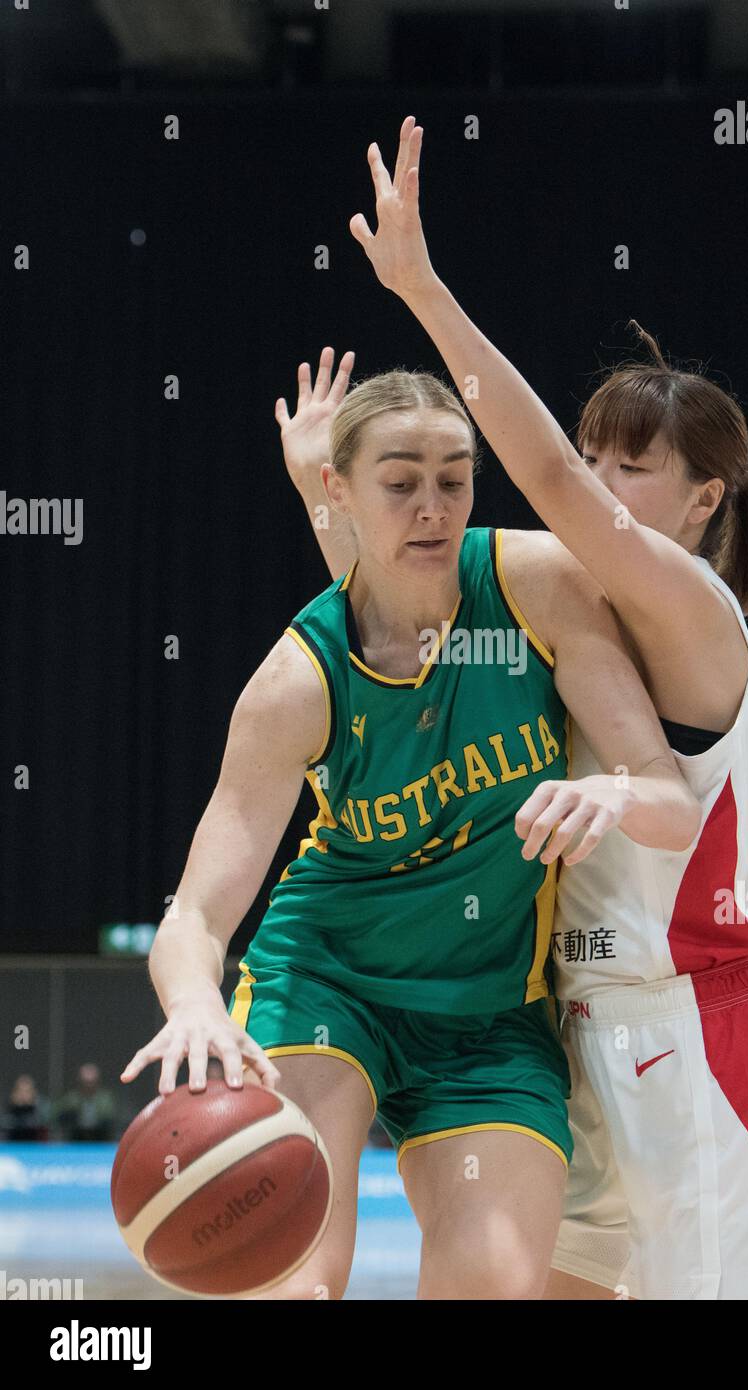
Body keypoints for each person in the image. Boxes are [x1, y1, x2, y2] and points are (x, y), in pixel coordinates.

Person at [294, 114, 748, 1300]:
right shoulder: (551, 620)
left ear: (701, 502)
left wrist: (424, 293)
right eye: (590, 455)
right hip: (575, 1045)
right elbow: (395, 621)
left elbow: (530, 480)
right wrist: (327, 499)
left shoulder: (695, 613)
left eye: (625, 467)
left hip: (706, 1041)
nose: (593, 486)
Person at [122, 367, 700, 1301]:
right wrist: (192, 1003)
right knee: (296, 1282)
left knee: (494, 1291)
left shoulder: (536, 585)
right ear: (338, 493)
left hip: (489, 1015)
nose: (433, 508)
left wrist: (616, 795)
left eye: (454, 478)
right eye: (401, 483)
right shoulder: (296, 684)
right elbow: (194, 913)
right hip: (327, 984)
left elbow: (672, 799)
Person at [54, 1063, 116, 1142]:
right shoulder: (71, 1099)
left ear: (97, 1081)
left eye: (91, 1082)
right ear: (80, 1081)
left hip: (100, 1139)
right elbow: (57, 1116)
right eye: (86, 1082)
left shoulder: (105, 1099)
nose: (88, 1086)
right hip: (75, 1139)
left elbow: (110, 1118)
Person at [1, 1074, 51, 1141]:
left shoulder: (41, 1108)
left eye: (27, 1091)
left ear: (34, 1093)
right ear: (14, 1093)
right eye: (20, 1091)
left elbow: (44, 1124)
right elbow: (4, 1124)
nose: (23, 1095)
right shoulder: (8, 1109)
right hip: (13, 1146)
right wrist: (16, 1108)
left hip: (36, 1147)